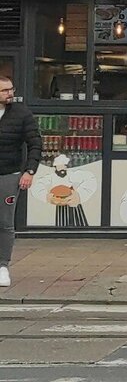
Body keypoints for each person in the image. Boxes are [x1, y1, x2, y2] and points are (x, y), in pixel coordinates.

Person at [0, 76, 41, 287]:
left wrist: (30, 171)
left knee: (5, 222)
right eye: (4, 90)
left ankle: (2, 266)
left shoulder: (21, 113)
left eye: (10, 89)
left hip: (9, 173)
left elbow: (35, 143)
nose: (10, 93)